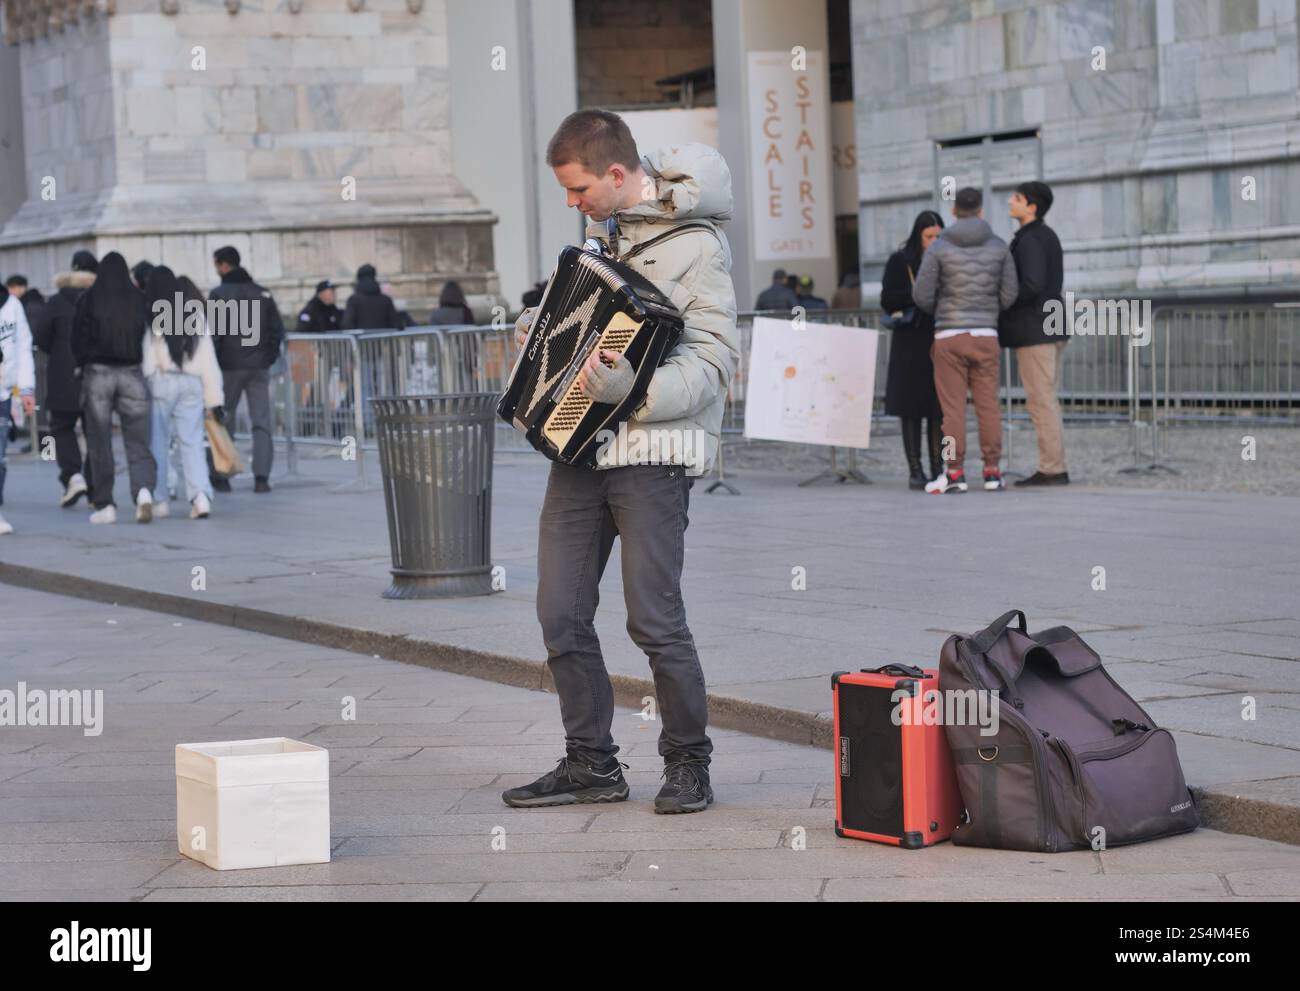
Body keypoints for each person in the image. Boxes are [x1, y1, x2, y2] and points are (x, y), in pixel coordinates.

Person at [501, 109, 738, 815]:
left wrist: (630, 392)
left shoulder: (697, 246)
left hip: (652, 453)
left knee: (654, 619)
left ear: (615, 173)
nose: (571, 203)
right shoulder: (598, 239)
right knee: (559, 613)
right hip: (578, 449)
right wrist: (535, 331)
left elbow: (716, 361)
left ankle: (689, 762)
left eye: (578, 189)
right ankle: (590, 763)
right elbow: (574, 331)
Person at [911, 187, 1017, 494]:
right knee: (988, 406)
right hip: (986, 334)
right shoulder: (999, 246)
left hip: (949, 334)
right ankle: (992, 471)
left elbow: (921, 293)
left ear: (954, 210)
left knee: (952, 409)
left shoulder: (939, 248)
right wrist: (987, 310)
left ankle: (954, 472)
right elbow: (1010, 293)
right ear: (981, 211)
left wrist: (943, 311)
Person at [70, 251, 157, 524]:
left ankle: (105, 503)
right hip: (132, 372)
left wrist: (83, 363)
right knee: (138, 440)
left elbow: (77, 340)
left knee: (99, 441)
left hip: (98, 373)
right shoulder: (138, 300)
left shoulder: (89, 299)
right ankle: (143, 491)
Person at [1001, 180, 1069, 487]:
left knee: (1041, 401)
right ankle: (1053, 465)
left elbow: (1031, 284)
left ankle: (1052, 468)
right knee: (1046, 399)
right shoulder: (1045, 236)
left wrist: (1002, 301)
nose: (1009, 202)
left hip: (1035, 329)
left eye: (1016, 198)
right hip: (1048, 325)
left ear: (1032, 207)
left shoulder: (1030, 240)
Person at [143, 266, 224, 520]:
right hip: (192, 382)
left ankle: (160, 500)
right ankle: (200, 496)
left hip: (163, 381)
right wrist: (215, 398)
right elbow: (209, 360)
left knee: (158, 442)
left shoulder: (154, 314)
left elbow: (147, 359)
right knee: (192, 443)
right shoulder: (196, 314)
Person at [210, 245, 284, 493]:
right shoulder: (262, 293)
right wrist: (268, 357)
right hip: (258, 366)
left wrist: (214, 363)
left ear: (223, 265)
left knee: (223, 419)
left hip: (229, 366)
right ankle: (261, 478)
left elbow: (216, 333)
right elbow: (276, 331)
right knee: (261, 421)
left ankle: (223, 473)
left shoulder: (219, 294)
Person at [881, 210, 946, 489]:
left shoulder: (946, 259)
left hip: (938, 338)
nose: (934, 241)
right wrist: (919, 293)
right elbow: (887, 298)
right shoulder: (900, 260)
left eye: (938, 236)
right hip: (909, 341)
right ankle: (915, 469)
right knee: (910, 408)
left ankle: (937, 467)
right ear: (918, 236)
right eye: (929, 236)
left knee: (937, 407)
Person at [33, 251, 98, 507]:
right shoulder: (99, 299)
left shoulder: (57, 301)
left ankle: (73, 476)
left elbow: (41, 337)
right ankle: (96, 488)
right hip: (94, 372)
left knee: (62, 427)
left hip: (62, 374)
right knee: (95, 432)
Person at [0, 282, 36, 535]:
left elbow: (23, 346)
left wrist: (26, 389)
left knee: (0, 455)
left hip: (3, 392)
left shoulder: (12, 305)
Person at [341, 264, 401, 330]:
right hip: (382, 338)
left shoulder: (353, 300)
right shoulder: (386, 300)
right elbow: (396, 323)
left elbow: (347, 323)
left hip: (360, 339)